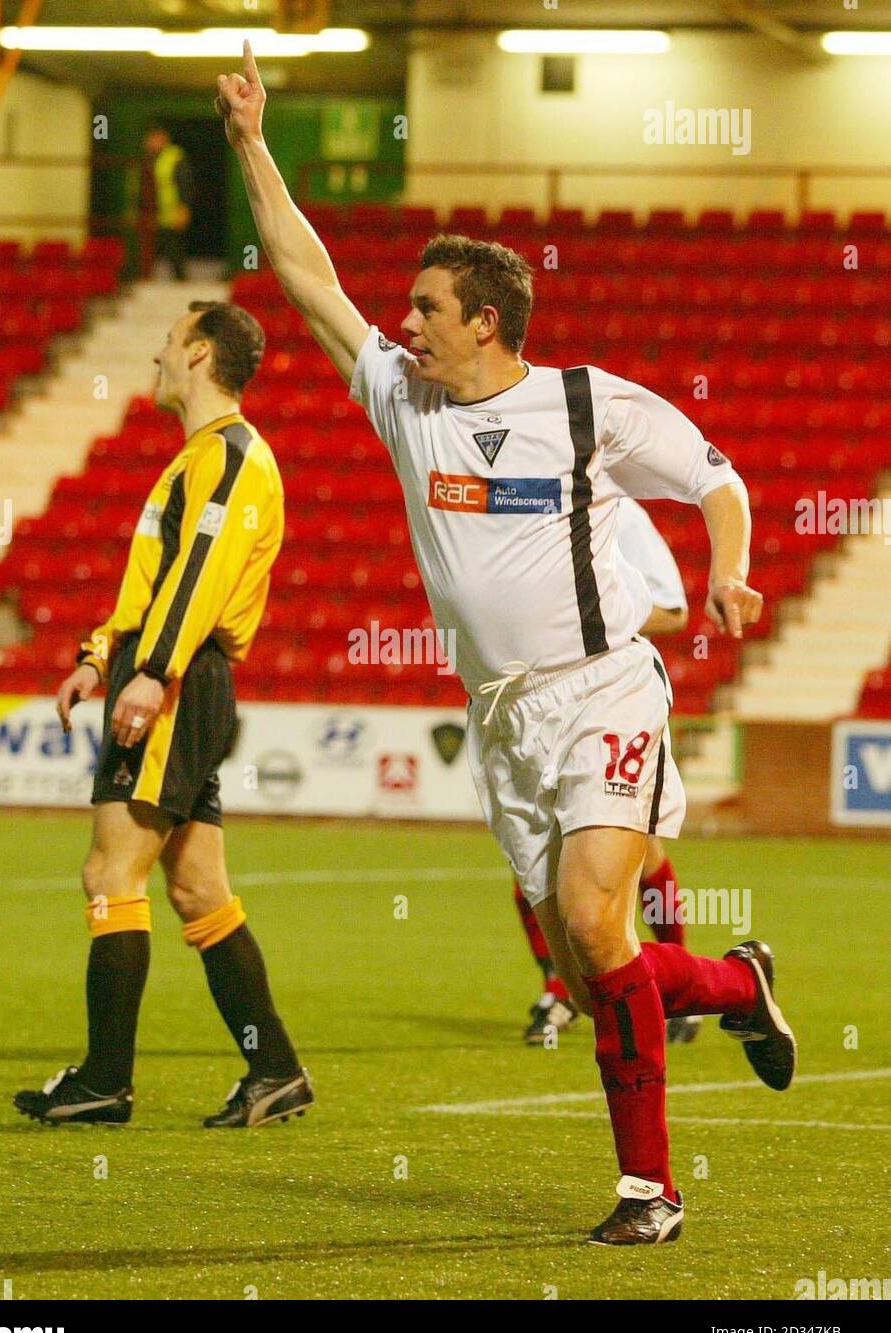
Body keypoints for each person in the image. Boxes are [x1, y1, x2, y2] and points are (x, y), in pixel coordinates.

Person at [215, 43, 795, 1245]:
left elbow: (717, 478)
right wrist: (252, 144)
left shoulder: (584, 402)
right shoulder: (406, 404)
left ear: (485, 320)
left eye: (425, 307)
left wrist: (731, 571)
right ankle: (739, 985)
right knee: (598, 974)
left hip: (601, 692)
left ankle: (651, 1190)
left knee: (591, 922)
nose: (404, 323)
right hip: (503, 719)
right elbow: (306, 278)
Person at [13, 299, 313, 1131]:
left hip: (178, 677)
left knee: (112, 874)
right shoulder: (203, 458)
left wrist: (149, 671)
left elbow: (198, 578)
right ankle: (275, 1069)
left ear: (201, 354)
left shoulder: (230, 457)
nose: (155, 353)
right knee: (195, 885)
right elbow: (160, 584)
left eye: (168, 342)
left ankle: (106, 1079)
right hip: (172, 670)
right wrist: (99, 654)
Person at [519, 497, 702, 1047]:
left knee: (642, 852)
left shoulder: (616, 510)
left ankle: (680, 984)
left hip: (610, 700)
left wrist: (586, 613)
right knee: (531, 855)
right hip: (537, 700)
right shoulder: (518, 503)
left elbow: (674, 610)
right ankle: (560, 986)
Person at [145, 126, 195, 282]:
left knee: (174, 245)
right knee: (158, 244)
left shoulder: (174, 156)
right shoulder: (152, 158)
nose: (149, 143)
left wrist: (184, 208)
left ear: (162, 138)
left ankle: (180, 278)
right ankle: (149, 276)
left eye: (153, 139)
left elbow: (185, 183)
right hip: (158, 211)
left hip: (173, 210)